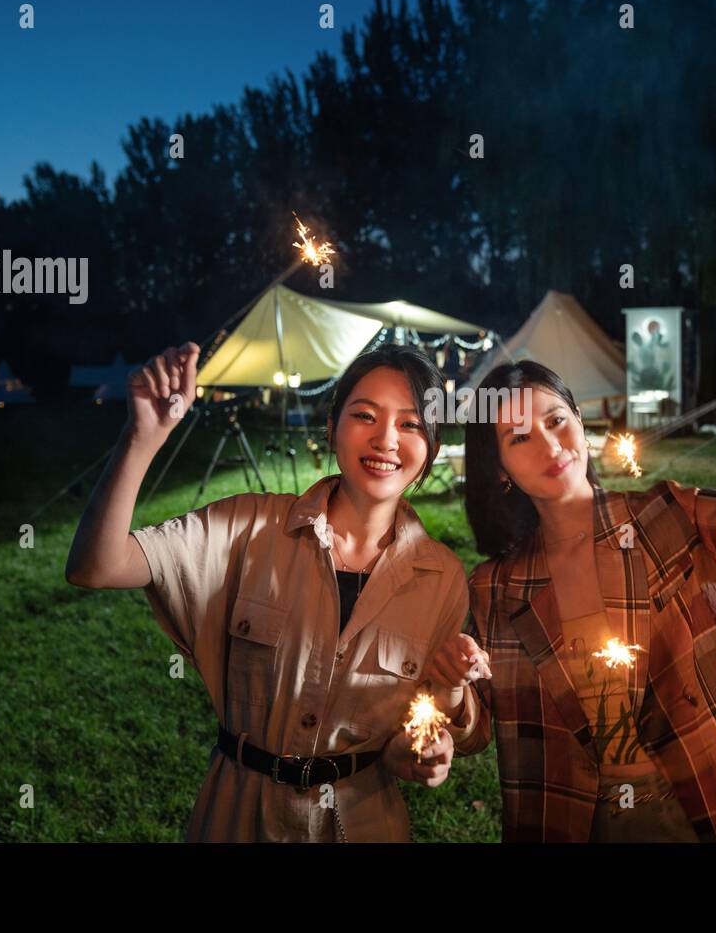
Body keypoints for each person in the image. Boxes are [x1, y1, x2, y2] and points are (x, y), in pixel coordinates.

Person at [451, 327, 716, 842]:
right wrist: (450, 683)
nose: (551, 445)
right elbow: (473, 727)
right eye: (519, 438)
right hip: (579, 822)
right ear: (500, 471)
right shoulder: (497, 588)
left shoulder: (667, 520)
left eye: (557, 420)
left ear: (581, 423)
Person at [65, 341, 484, 841]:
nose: (386, 439)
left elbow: (402, 737)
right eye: (365, 415)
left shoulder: (441, 579)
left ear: (432, 446)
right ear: (332, 427)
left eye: (411, 424)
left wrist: (422, 754)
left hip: (363, 823)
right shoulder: (248, 526)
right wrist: (142, 438)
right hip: (239, 817)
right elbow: (96, 566)